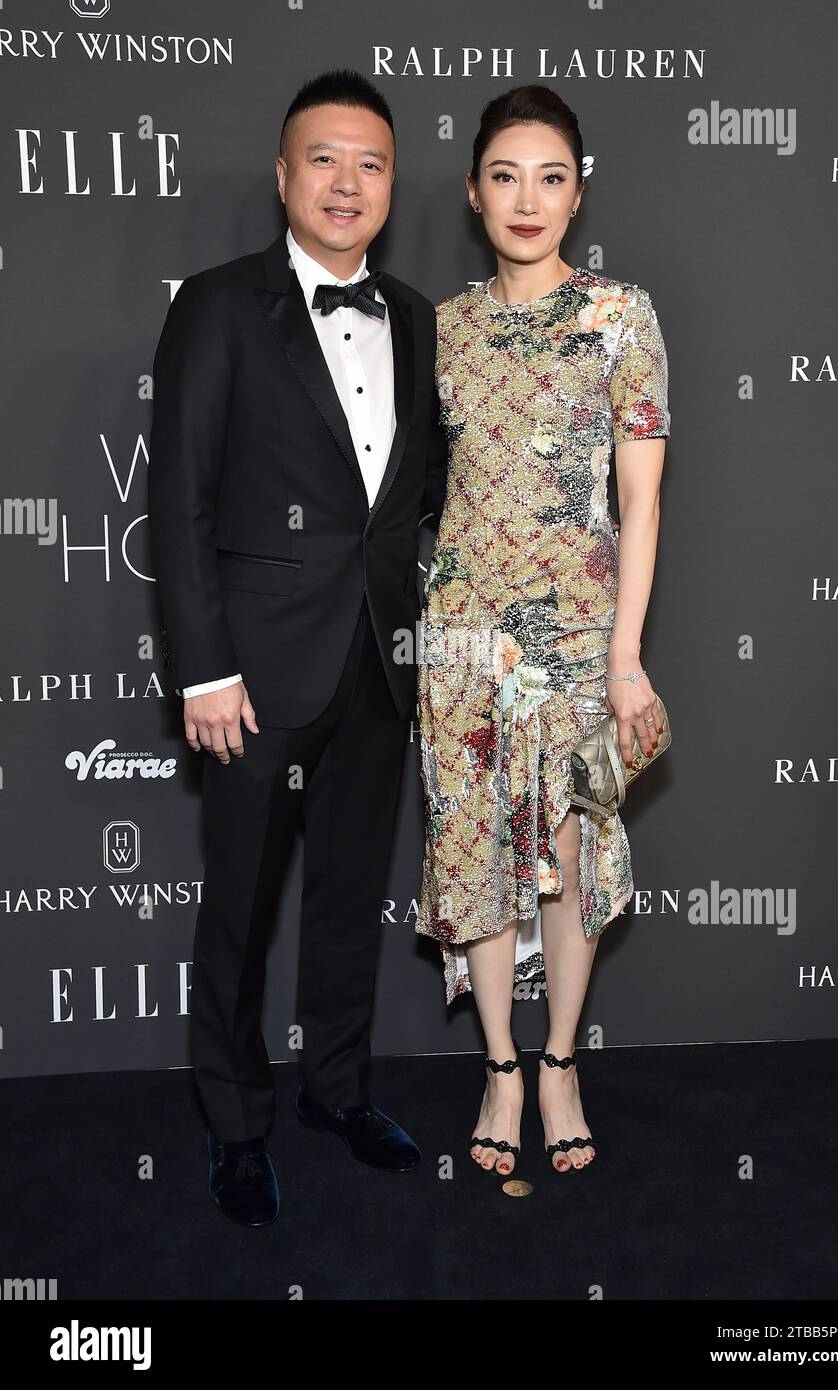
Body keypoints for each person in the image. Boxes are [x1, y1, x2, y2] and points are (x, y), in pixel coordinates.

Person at [147, 69, 447, 1226]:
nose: (347, 182)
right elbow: (179, 501)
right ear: (283, 175)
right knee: (237, 904)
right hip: (254, 674)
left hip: (379, 662)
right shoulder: (219, 307)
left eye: (370, 163)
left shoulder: (417, 317)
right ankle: (233, 1121)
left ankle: (338, 1089)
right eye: (324, 158)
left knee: (345, 898)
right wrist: (203, 665)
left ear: (389, 187)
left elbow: (417, 501)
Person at [416, 85, 670, 1176]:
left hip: (576, 634)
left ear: (578, 190)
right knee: (473, 855)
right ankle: (500, 1068)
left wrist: (623, 659)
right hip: (465, 635)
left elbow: (642, 502)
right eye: (506, 176)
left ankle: (561, 1060)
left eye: (551, 176)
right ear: (475, 194)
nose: (528, 199)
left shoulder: (623, 317)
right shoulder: (440, 328)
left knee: (564, 857)